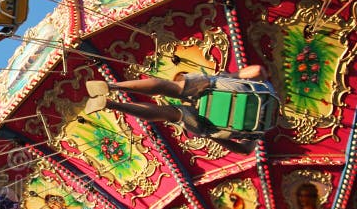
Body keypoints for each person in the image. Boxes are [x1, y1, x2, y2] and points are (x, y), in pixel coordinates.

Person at [84, 65, 277, 154]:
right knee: (169, 114)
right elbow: (244, 150)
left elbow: (258, 70)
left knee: (172, 87)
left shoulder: (269, 90)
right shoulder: (259, 132)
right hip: (210, 123)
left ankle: (112, 86)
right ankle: (111, 105)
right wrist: (212, 136)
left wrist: (227, 76)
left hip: (217, 89)